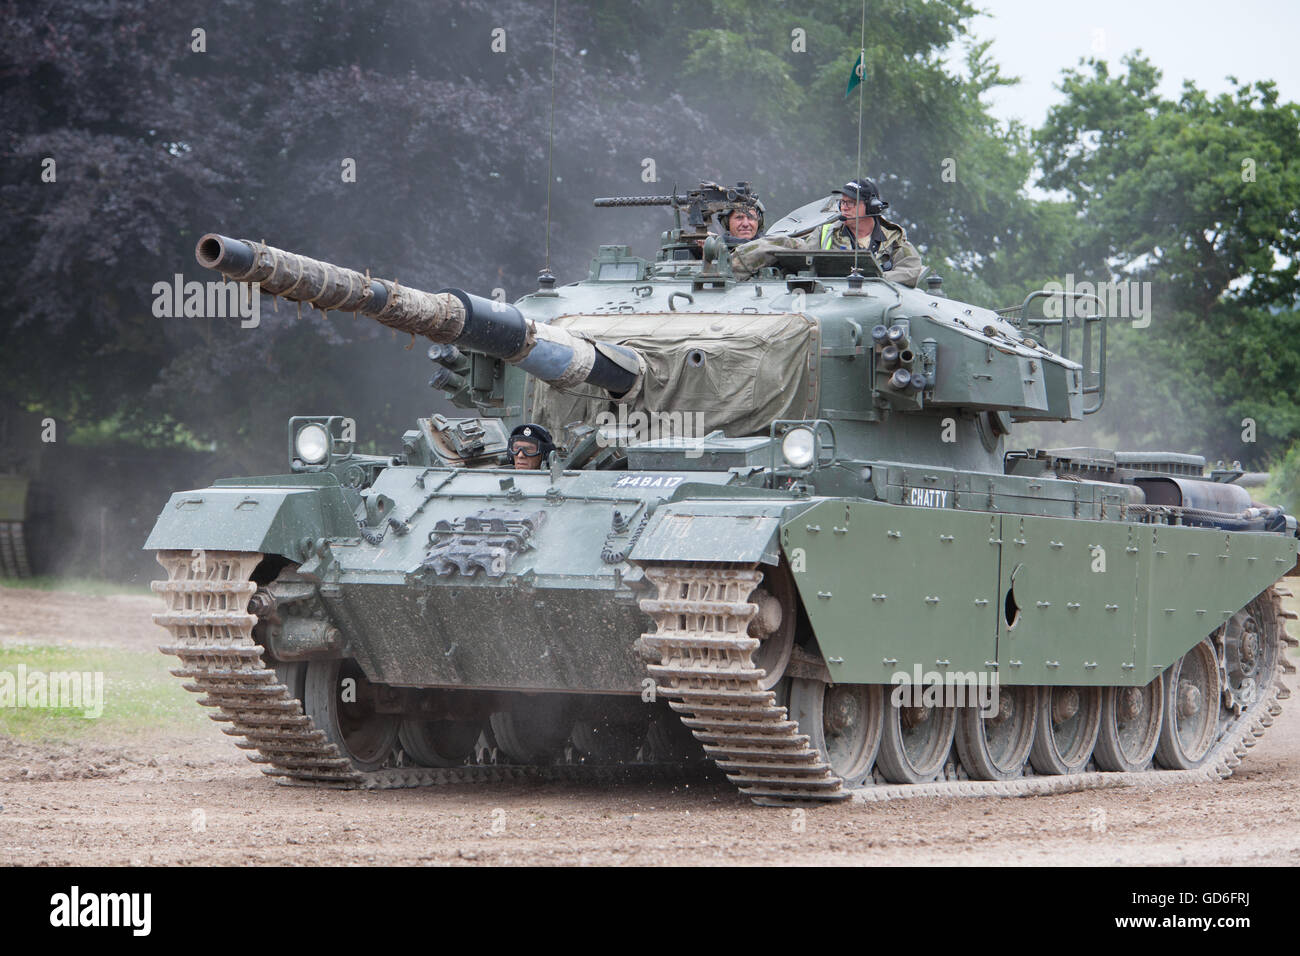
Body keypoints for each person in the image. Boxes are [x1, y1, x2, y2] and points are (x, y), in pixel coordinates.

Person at [806, 178, 925, 286]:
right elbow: (802, 255)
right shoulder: (826, 233)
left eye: (851, 202)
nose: (844, 207)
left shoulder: (893, 239)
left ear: (871, 207)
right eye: (842, 202)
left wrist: (876, 278)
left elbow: (911, 271)